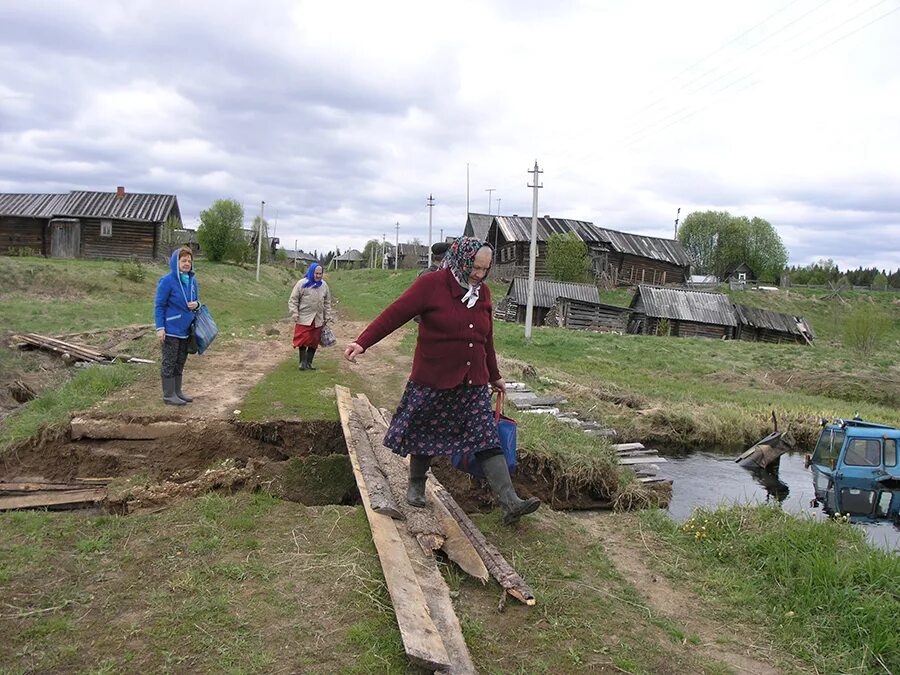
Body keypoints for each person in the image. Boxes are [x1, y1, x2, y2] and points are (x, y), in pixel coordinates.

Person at [344, 237, 540, 525]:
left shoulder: (482, 293)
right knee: (424, 432)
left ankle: (509, 501)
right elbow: (394, 314)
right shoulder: (431, 285)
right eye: (475, 267)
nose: (479, 274)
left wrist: (494, 376)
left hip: (472, 383)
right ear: (461, 259)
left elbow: (486, 339)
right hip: (434, 378)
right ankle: (416, 484)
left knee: (486, 436)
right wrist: (363, 342)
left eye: (485, 269)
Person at [154, 246, 199, 406]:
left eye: (189, 260)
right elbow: (159, 306)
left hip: (186, 330)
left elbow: (196, 301)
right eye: (183, 260)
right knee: (169, 362)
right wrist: (160, 328)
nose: (187, 263)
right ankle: (168, 395)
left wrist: (197, 304)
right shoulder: (167, 281)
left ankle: (177, 392)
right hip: (171, 329)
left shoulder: (192, 281)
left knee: (180, 361)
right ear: (176, 262)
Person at [289, 262, 333, 370]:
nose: (318, 276)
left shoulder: (324, 286)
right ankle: (302, 363)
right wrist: (294, 313)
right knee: (302, 339)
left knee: (314, 341)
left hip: (318, 318)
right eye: (316, 273)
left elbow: (327, 302)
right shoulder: (301, 284)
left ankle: (309, 363)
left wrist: (327, 316)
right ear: (311, 272)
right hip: (304, 317)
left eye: (320, 273)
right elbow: (293, 300)